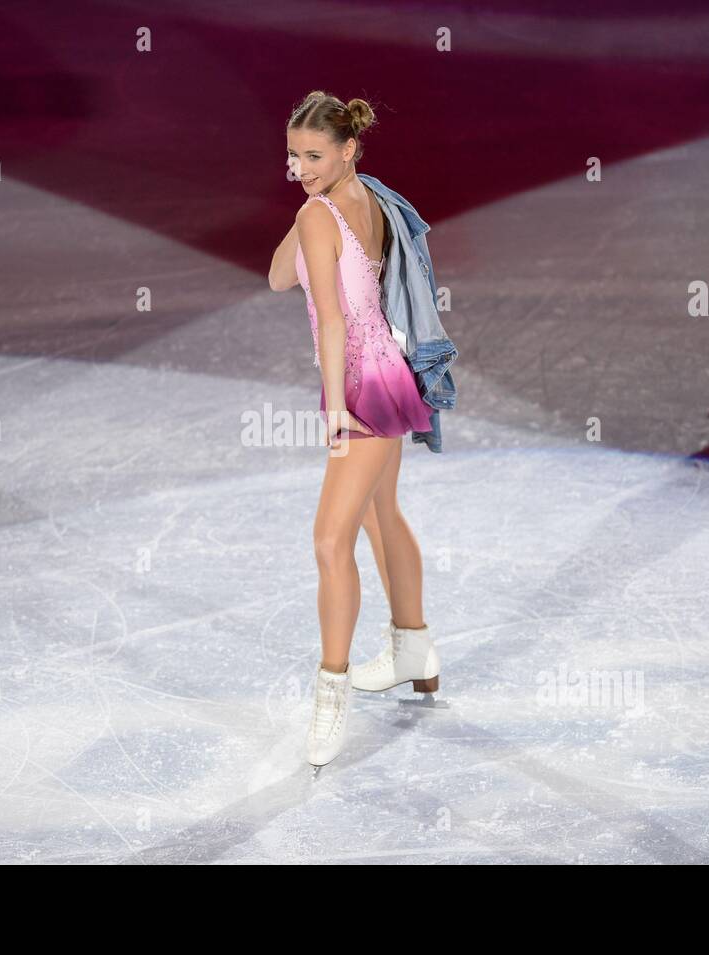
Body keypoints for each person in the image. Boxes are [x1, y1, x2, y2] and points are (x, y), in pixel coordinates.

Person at [268, 90, 442, 768]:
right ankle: (414, 648)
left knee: (328, 538)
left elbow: (333, 320)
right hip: (391, 369)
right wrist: (308, 202)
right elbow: (280, 276)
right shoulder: (365, 197)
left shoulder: (319, 214)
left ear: (349, 149)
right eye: (292, 156)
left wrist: (337, 406)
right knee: (379, 515)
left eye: (314, 155)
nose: (300, 168)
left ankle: (330, 692)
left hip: (361, 384)